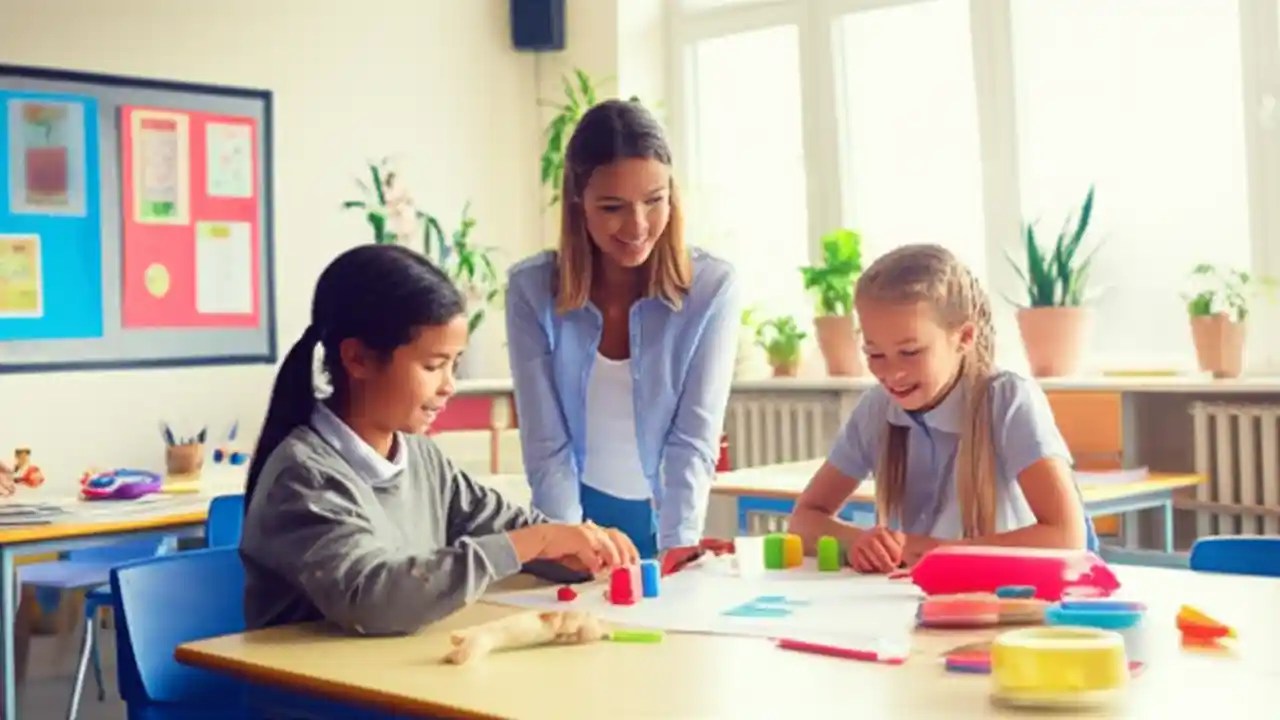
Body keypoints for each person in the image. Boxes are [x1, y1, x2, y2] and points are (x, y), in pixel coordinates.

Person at [240, 244, 638, 636]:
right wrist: (534, 541)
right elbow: (374, 599)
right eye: (433, 365)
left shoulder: (420, 457)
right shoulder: (301, 478)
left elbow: (500, 526)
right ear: (357, 359)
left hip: (398, 678)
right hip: (310, 694)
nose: (450, 386)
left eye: (454, 365)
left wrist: (575, 549)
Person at [505, 99, 741, 571]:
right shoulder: (531, 289)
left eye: (655, 201)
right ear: (578, 203)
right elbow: (546, 442)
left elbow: (693, 435)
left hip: (664, 516)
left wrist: (679, 539)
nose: (637, 227)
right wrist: (567, 539)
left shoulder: (712, 287)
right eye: (612, 207)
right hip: (574, 516)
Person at [787, 244, 1097, 573]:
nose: (892, 373)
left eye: (910, 352)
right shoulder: (876, 409)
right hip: (915, 599)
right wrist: (858, 541)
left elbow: (1066, 536)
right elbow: (804, 520)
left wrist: (941, 552)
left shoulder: (1007, 401)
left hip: (1009, 599)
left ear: (963, 337)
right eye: (875, 354)